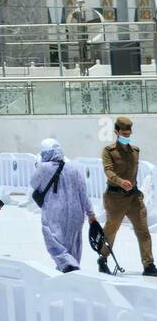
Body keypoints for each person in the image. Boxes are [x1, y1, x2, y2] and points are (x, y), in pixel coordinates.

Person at [99, 116, 157, 276]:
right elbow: (108, 170)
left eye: (128, 134)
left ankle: (149, 265)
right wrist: (119, 181)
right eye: (123, 134)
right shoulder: (108, 151)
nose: (126, 137)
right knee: (111, 231)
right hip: (115, 198)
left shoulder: (135, 151)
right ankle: (102, 259)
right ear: (116, 132)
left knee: (143, 231)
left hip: (133, 198)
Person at [31, 138, 96, 273]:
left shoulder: (43, 168)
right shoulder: (76, 167)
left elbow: (34, 184)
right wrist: (91, 214)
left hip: (54, 213)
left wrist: (38, 165)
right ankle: (72, 268)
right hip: (77, 213)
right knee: (74, 243)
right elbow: (84, 194)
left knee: (54, 241)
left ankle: (69, 265)